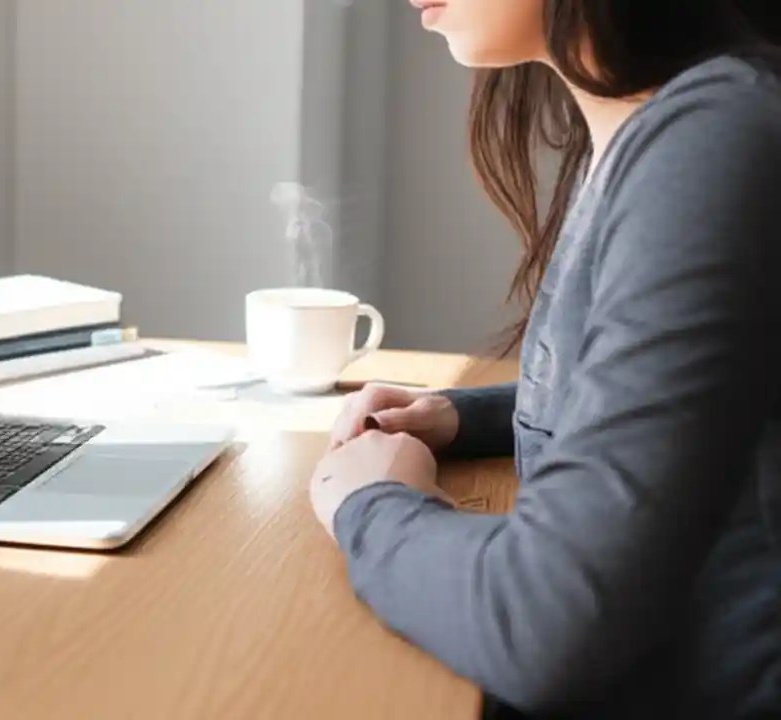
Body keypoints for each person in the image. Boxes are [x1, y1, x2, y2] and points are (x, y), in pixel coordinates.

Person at [309, 1, 781, 717]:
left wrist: (368, 505)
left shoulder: (716, 139)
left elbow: (545, 626)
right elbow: (685, 395)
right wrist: (459, 418)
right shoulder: (645, 129)